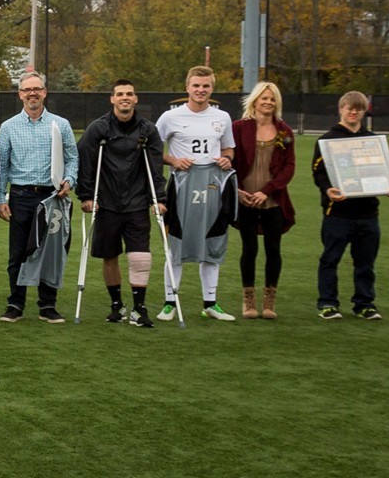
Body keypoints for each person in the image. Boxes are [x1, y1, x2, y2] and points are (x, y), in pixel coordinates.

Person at [75, 80, 166, 327]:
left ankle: (139, 307)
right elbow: (84, 161)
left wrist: (158, 199)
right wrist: (85, 196)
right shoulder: (98, 128)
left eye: (129, 94)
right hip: (106, 203)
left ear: (136, 98)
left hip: (136, 203)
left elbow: (155, 167)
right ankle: (116, 305)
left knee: (139, 256)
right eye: (119, 94)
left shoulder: (148, 130)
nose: (125, 97)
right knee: (109, 255)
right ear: (112, 99)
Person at [155, 65, 239, 322]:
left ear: (212, 88)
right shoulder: (170, 117)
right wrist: (172, 161)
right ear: (187, 87)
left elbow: (229, 150)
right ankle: (170, 302)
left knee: (212, 244)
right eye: (196, 85)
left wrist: (226, 159)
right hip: (181, 187)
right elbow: (153, 149)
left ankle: (211, 303)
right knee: (176, 245)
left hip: (213, 188)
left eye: (205, 86)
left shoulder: (222, 117)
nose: (200, 90)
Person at [312, 91, 389, 321]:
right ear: (340, 109)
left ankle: (364, 304)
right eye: (349, 107)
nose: (353, 112)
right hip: (338, 213)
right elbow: (319, 173)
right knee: (330, 259)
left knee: (365, 262)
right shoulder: (327, 139)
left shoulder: (372, 141)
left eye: (358, 108)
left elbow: (387, 170)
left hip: (368, 213)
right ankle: (327, 303)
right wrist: (327, 190)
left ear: (364, 111)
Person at [0, 71, 77, 323]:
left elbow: (73, 158)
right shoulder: (9, 127)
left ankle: (47, 305)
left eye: (37, 89)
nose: (32, 93)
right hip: (20, 196)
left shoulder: (60, 124)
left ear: (44, 92)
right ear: (20, 94)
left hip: (52, 197)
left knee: (50, 251)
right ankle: (15, 303)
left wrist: (69, 179)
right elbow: (2, 164)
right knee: (18, 252)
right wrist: (1, 198)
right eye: (27, 89)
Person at [232, 82, 295, 320]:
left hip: (273, 201)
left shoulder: (284, 132)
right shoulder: (239, 128)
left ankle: (269, 301)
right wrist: (238, 191)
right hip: (246, 199)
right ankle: (249, 300)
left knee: (273, 249)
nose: (268, 102)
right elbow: (230, 160)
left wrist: (267, 191)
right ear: (255, 100)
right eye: (264, 98)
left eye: (272, 99)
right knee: (249, 249)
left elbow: (289, 168)